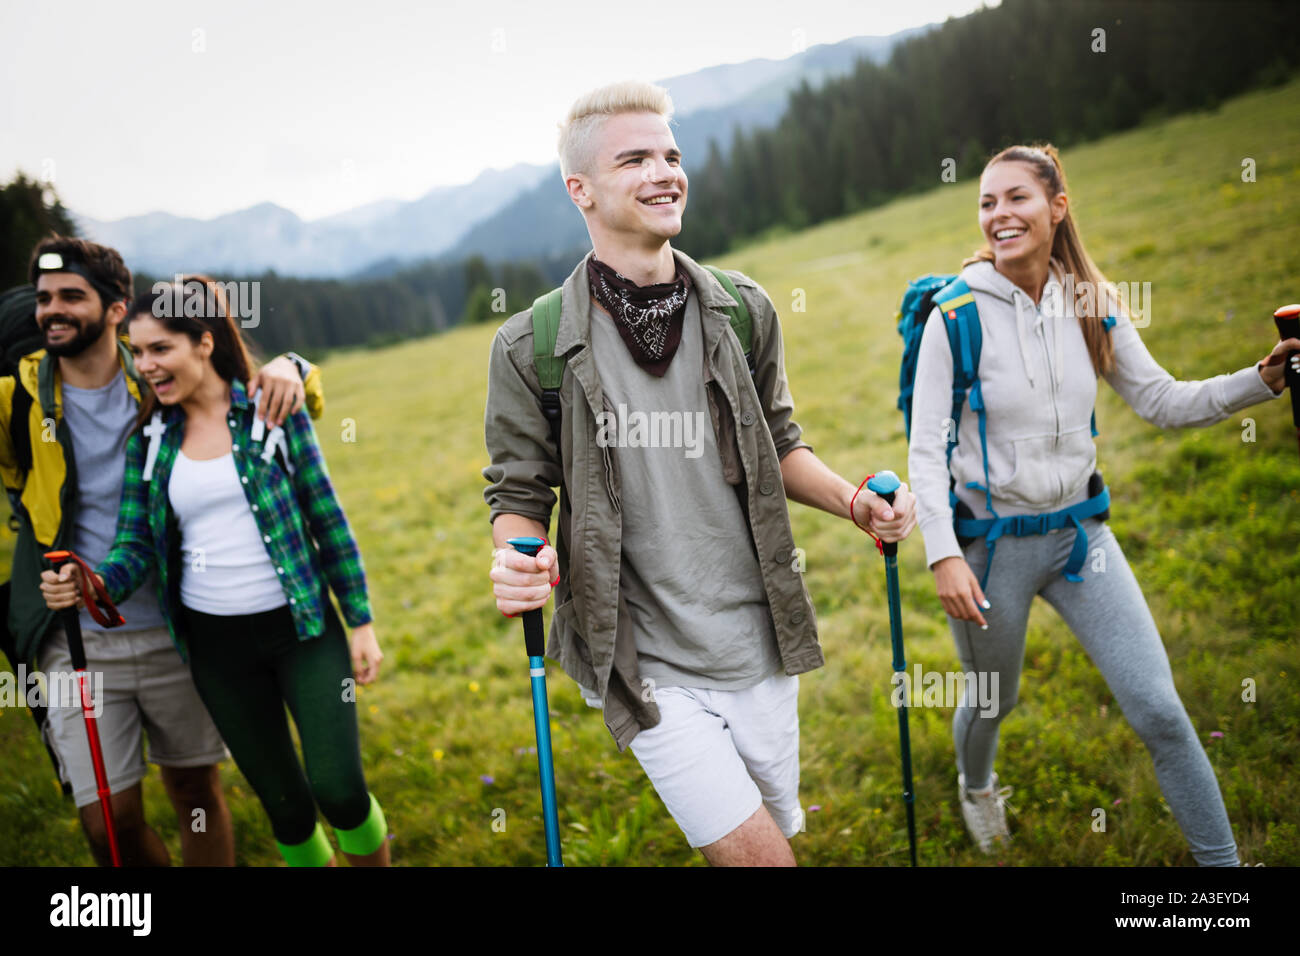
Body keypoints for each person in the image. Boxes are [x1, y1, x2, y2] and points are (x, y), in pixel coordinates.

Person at [484, 81, 917, 866]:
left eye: (672, 155)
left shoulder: (743, 309)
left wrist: (854, 503)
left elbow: (780, 444)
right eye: (636, 158)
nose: (665, 172)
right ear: (579, 189)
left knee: (774, 830)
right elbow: (519, 495)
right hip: (644, 662)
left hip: (758, 640)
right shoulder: (531, 345)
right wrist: (516, 560)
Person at [906, 144, 1299, 864]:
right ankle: (976, 784)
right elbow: (926, 450)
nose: (999, 215)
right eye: (987, 202)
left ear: (1057, 206)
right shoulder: (953, 318)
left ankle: (1226, 873)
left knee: (1161, 711)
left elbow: (1163, 400)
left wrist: (1260, 381)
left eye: (1016, 198)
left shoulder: (1090, 302)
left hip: (1082, 540)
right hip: (989, 553)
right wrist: (941, 553)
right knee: (995, 700)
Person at [40, 275, 388, 867]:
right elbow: (134, 548)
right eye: (136, 350)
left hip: (303, 631)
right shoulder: (149, 438)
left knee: (339, 790)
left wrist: (359, 622)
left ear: (203, 343)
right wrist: (91, 584)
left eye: (158, 349)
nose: (144, 365)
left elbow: (327, 518)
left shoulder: (272, 410)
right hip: (217, 650)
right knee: (286, 807)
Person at [5, 237, 320, 866]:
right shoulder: (18, 399)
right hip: (74, 637)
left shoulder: (157, 376)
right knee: (107, 825)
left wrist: (295, 364)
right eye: (43, 299)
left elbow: (284, 398)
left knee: (193, 787)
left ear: (117, 308)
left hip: (178, 624)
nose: (52, 311)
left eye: (72, 296)